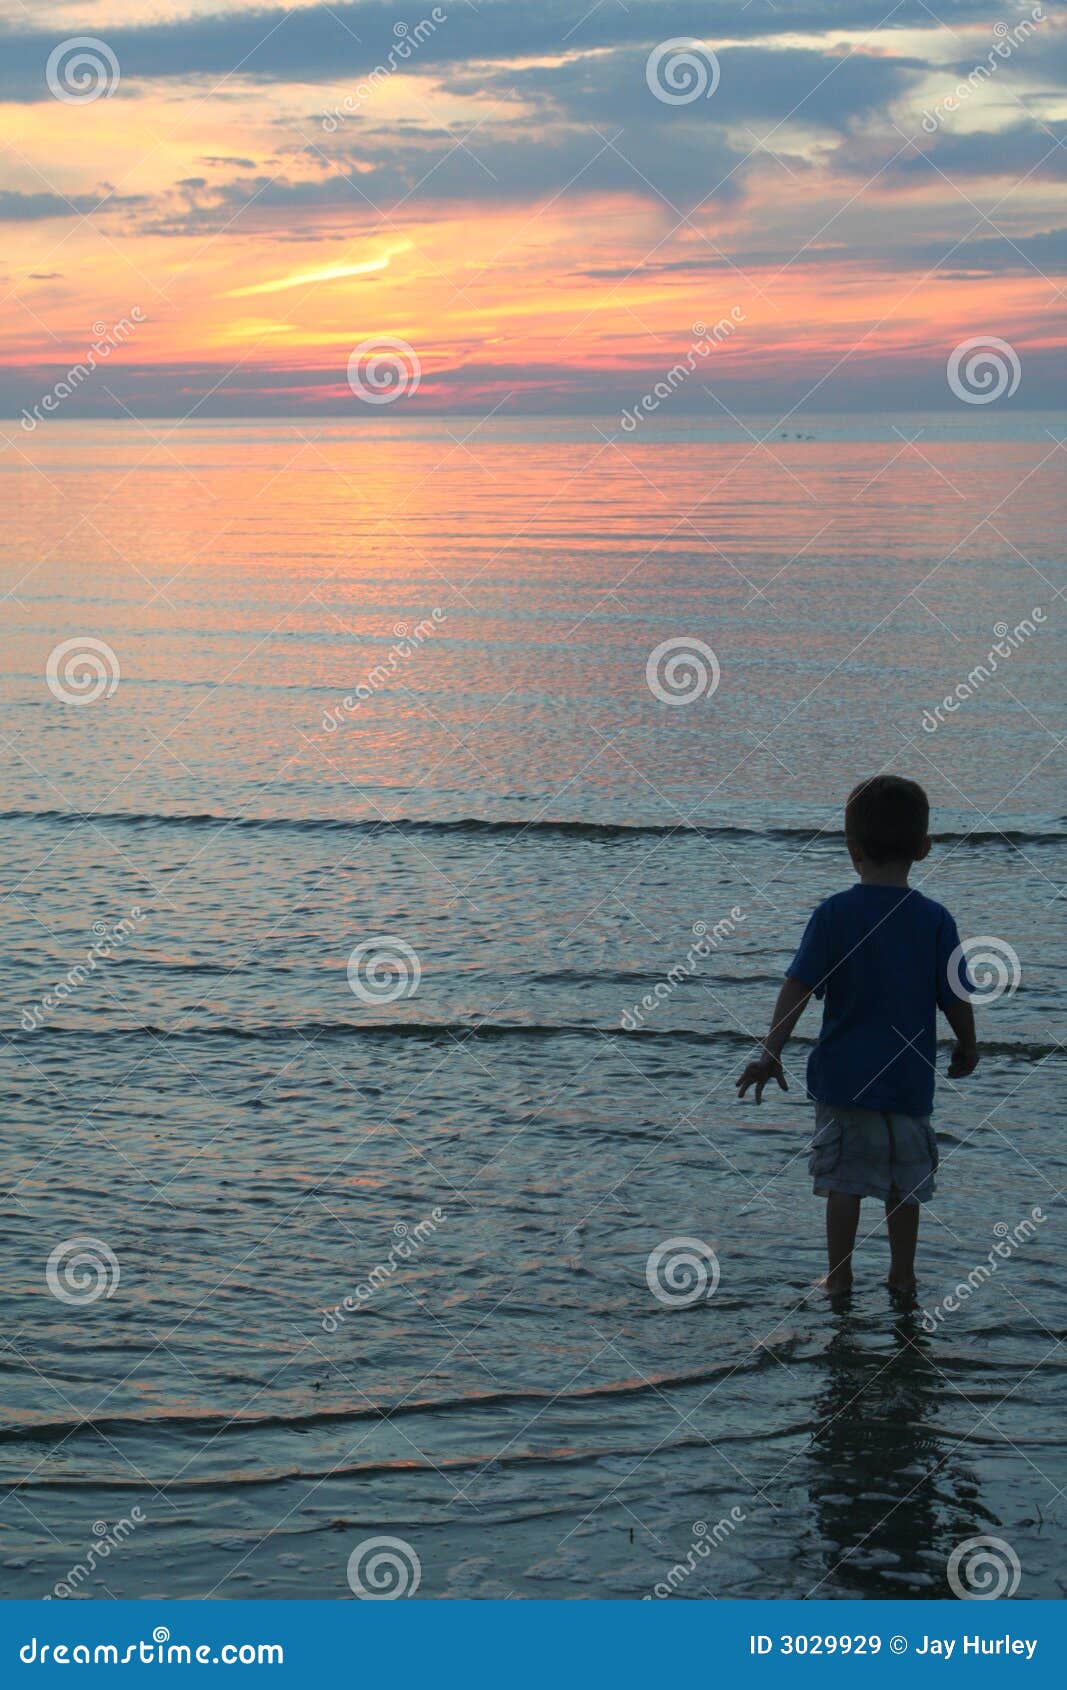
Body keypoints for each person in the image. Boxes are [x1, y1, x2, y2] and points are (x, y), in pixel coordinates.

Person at [736, 775, 979, 1300]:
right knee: (905, 1186)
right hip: (910, 1086)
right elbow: (956, 995)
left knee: (843, 1183)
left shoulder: (833, 916)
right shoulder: (936, 920)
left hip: (844, 1083)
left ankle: (839, 1275)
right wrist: (969, 1044)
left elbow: (797, 988)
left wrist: (769, 1052)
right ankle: (902, 1275)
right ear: (923, 848)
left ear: (852, 850)